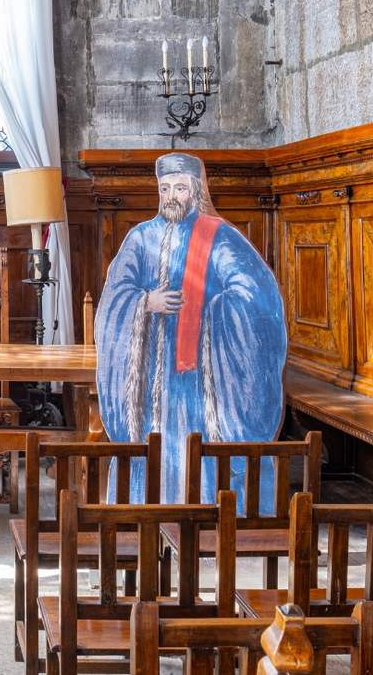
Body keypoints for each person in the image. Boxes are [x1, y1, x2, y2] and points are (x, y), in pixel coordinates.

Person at [94, 152, 285, 505]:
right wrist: (145, 302)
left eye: (180, 188)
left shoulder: (221, 237)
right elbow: (114, 297)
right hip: (150, 376)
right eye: (165, 188)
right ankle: (146, 516)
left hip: (203, 378)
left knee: (199, 449)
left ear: (196, 190)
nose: (171, 196)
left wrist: (214, 313)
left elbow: (255, 295)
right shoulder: (140, 238)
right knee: (153, 445)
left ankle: (212, 518)